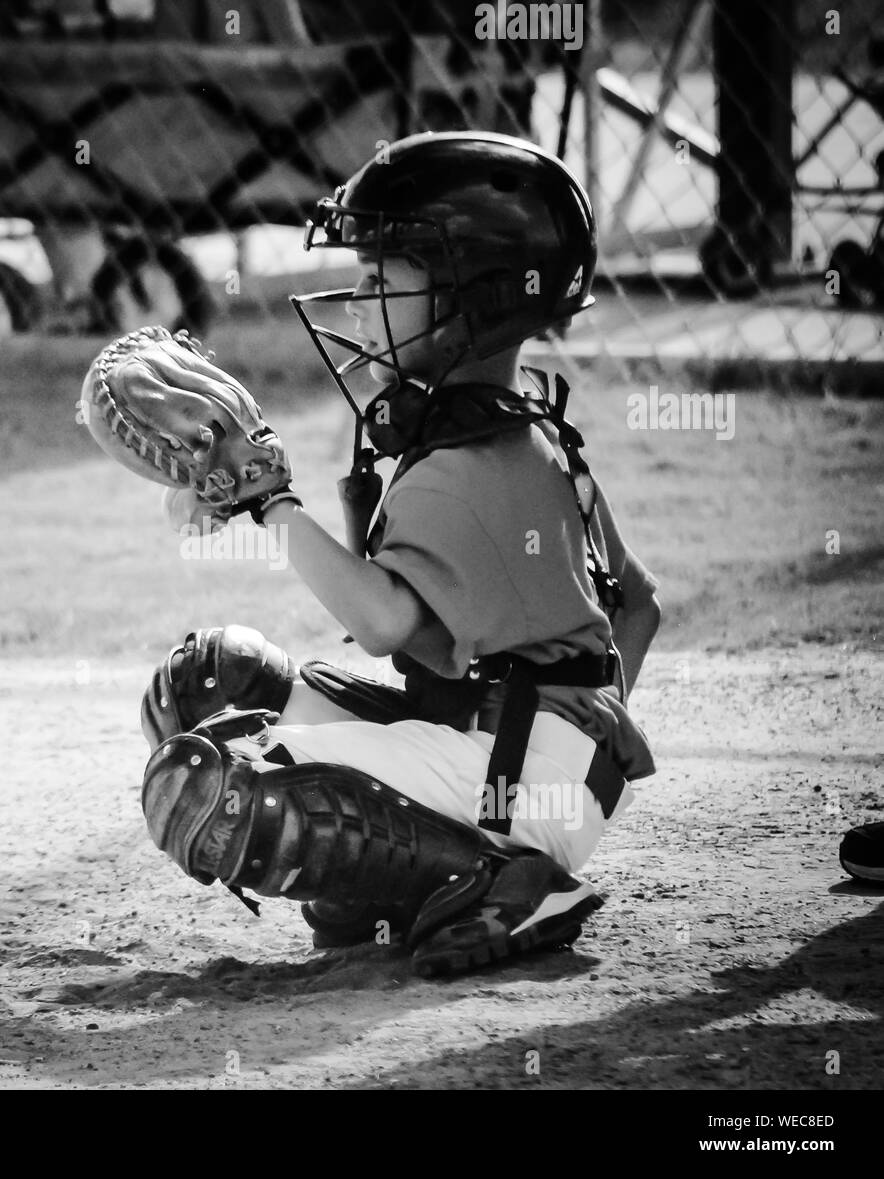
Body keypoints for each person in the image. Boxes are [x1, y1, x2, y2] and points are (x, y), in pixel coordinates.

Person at [140, 131, 660, 978]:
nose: (357, 301)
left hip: (512, 776)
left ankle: (506, 877)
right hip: (515, 757)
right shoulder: (526, 429)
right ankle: (428, 872)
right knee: (215, 680)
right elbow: (640, 604)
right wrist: (587, 751)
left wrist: (270, 502)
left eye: (384, 279)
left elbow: (380, 623)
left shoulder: (460, 462)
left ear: (470, 297)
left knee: (205, 790)